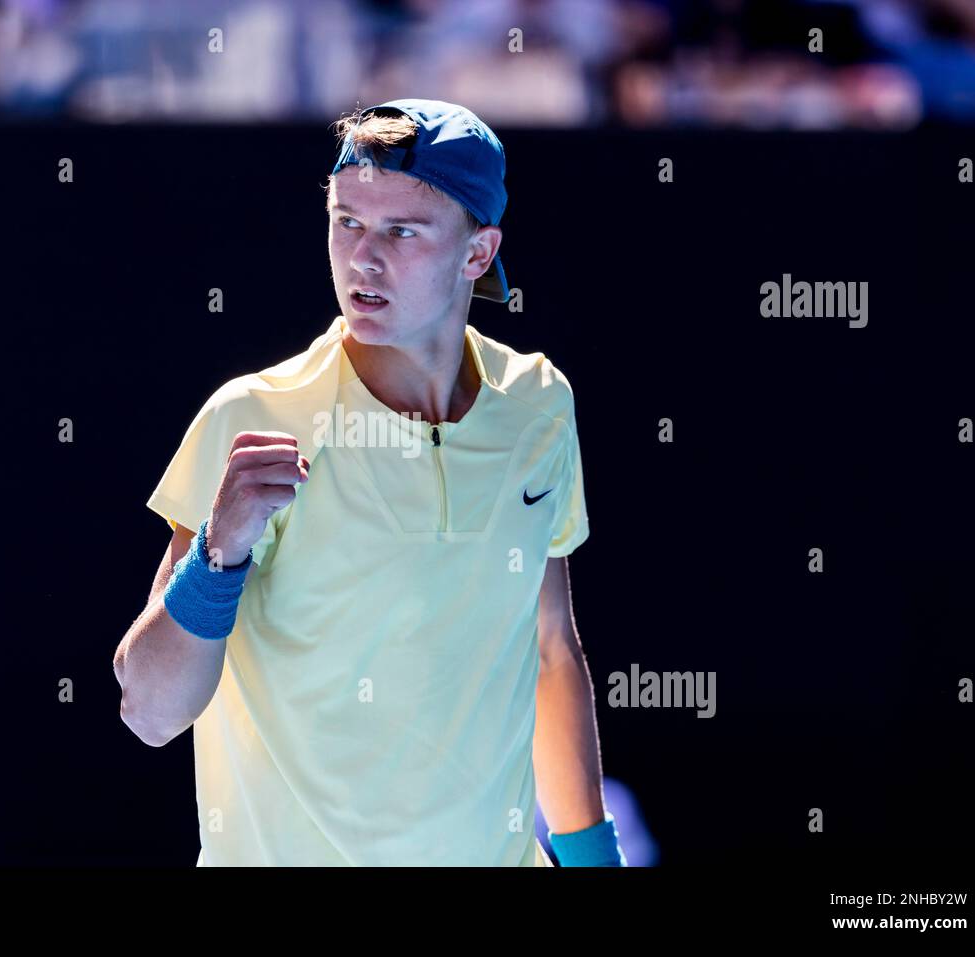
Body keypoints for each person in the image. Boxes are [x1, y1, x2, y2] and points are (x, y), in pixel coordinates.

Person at [113, 98, 625, 867]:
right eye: (346, 221)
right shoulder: (253, 416)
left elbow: (550, 647)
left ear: (478, 254)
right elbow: (149, 711)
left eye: (402, 231)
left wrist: (592, 856)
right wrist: (217, 554)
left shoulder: (539, 409)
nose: (362, 258)